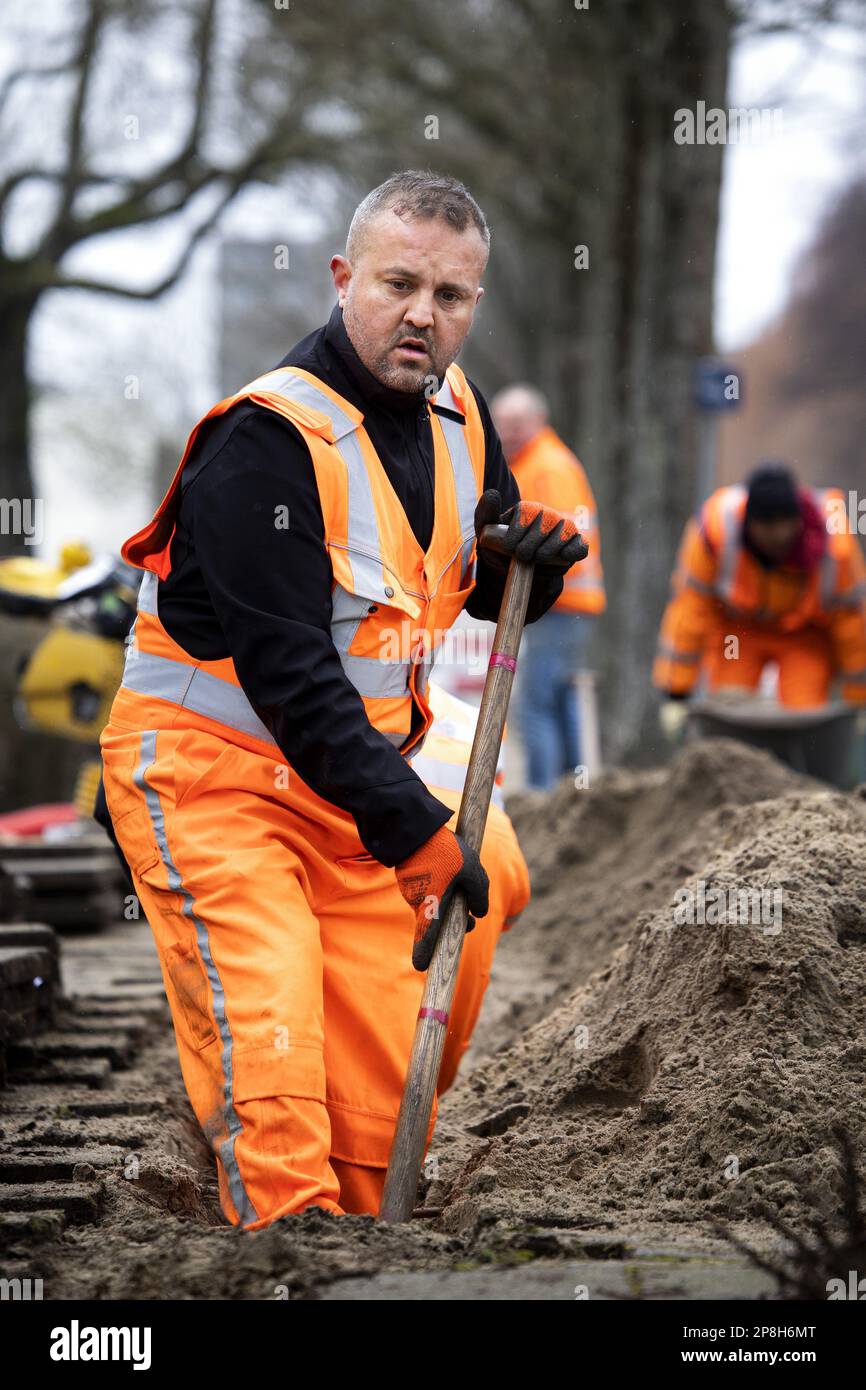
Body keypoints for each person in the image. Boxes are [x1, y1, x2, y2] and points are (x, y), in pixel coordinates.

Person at [98, 170, 587, 1228]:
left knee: (481, 882)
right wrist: (414, 831)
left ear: (473, 306)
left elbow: (469, 577)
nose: (423, 314)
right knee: (273, 1055)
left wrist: (528, 572)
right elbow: (294, 679)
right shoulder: (260, 444)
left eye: (451, 296)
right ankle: (288, 1249)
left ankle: (365, 1226)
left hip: (346, 782)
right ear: (342, 278)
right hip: (212, 783)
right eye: (398, 283)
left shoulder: (458, 421)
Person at [654, 463, 866, 731]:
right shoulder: (715, 532)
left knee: (804, 719)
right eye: (767, 525)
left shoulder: (837, 548)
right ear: (749, 523)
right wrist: (676, 691)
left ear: (798, 519)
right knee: (730, 713)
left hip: (805, 637)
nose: (777, 535)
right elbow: (691, 610)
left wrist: (859, 700)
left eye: (783, 523)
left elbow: (853, 626)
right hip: (738, 633)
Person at [491, 383, 605, 788]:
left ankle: (544, 798)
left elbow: (563, 542)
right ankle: (574, 789)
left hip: (560, 604)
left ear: (539, 421)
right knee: (560, 698)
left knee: (535, 706)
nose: (507, 433)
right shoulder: (538, 462)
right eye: (502, 424)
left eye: (517, 423)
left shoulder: (546, 467)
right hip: (567, 604)